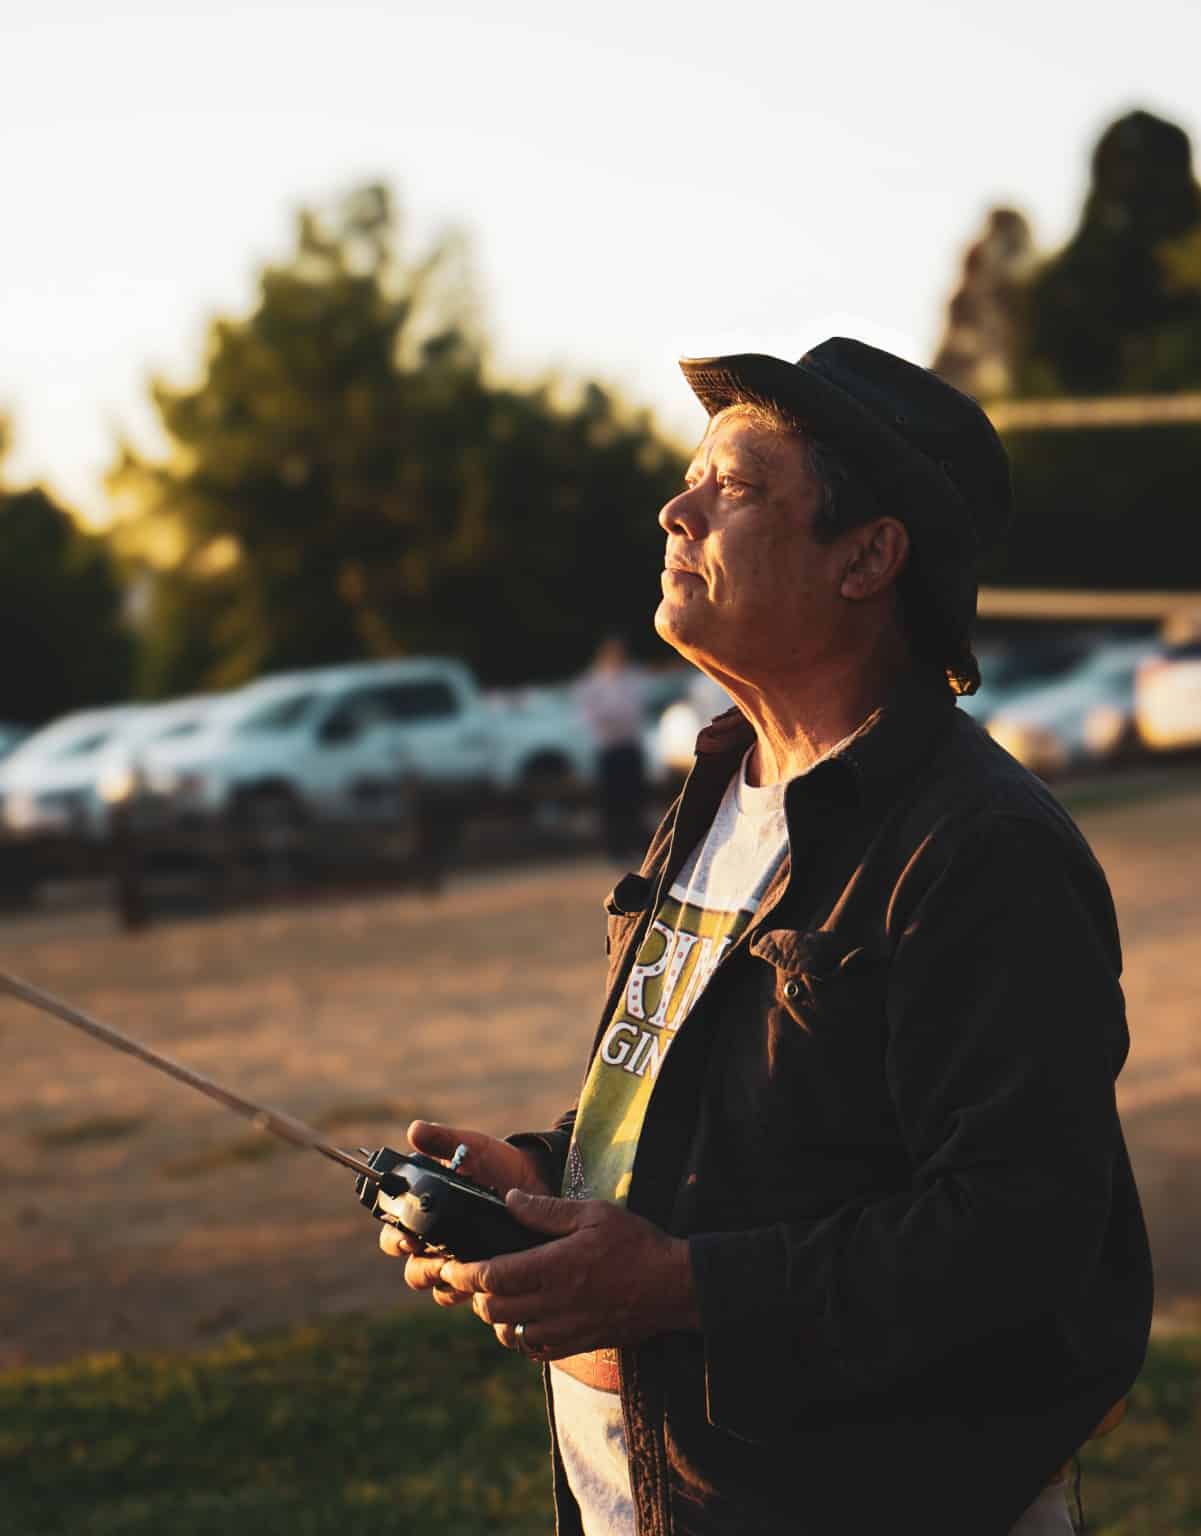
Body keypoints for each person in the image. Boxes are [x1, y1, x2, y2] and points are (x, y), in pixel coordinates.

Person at [379, 338, 1153, 1535]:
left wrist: (673, 1284)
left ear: (868, 556)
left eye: (732, 487)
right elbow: (714, 1105)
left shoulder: (980, 848)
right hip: (648, 1489)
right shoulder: (721, 788)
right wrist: (543, 1178)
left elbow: (1024, 1234)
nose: (674, 508)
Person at [574, 634, 650, 862]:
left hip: (629, 745)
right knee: (612, 801)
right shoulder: (592, 682)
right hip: (608, 748)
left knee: (633, 797)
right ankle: (616, 848)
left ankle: (635, 844)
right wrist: (611, 719)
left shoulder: (633, 678)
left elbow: (636, 710)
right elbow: (589, 715)